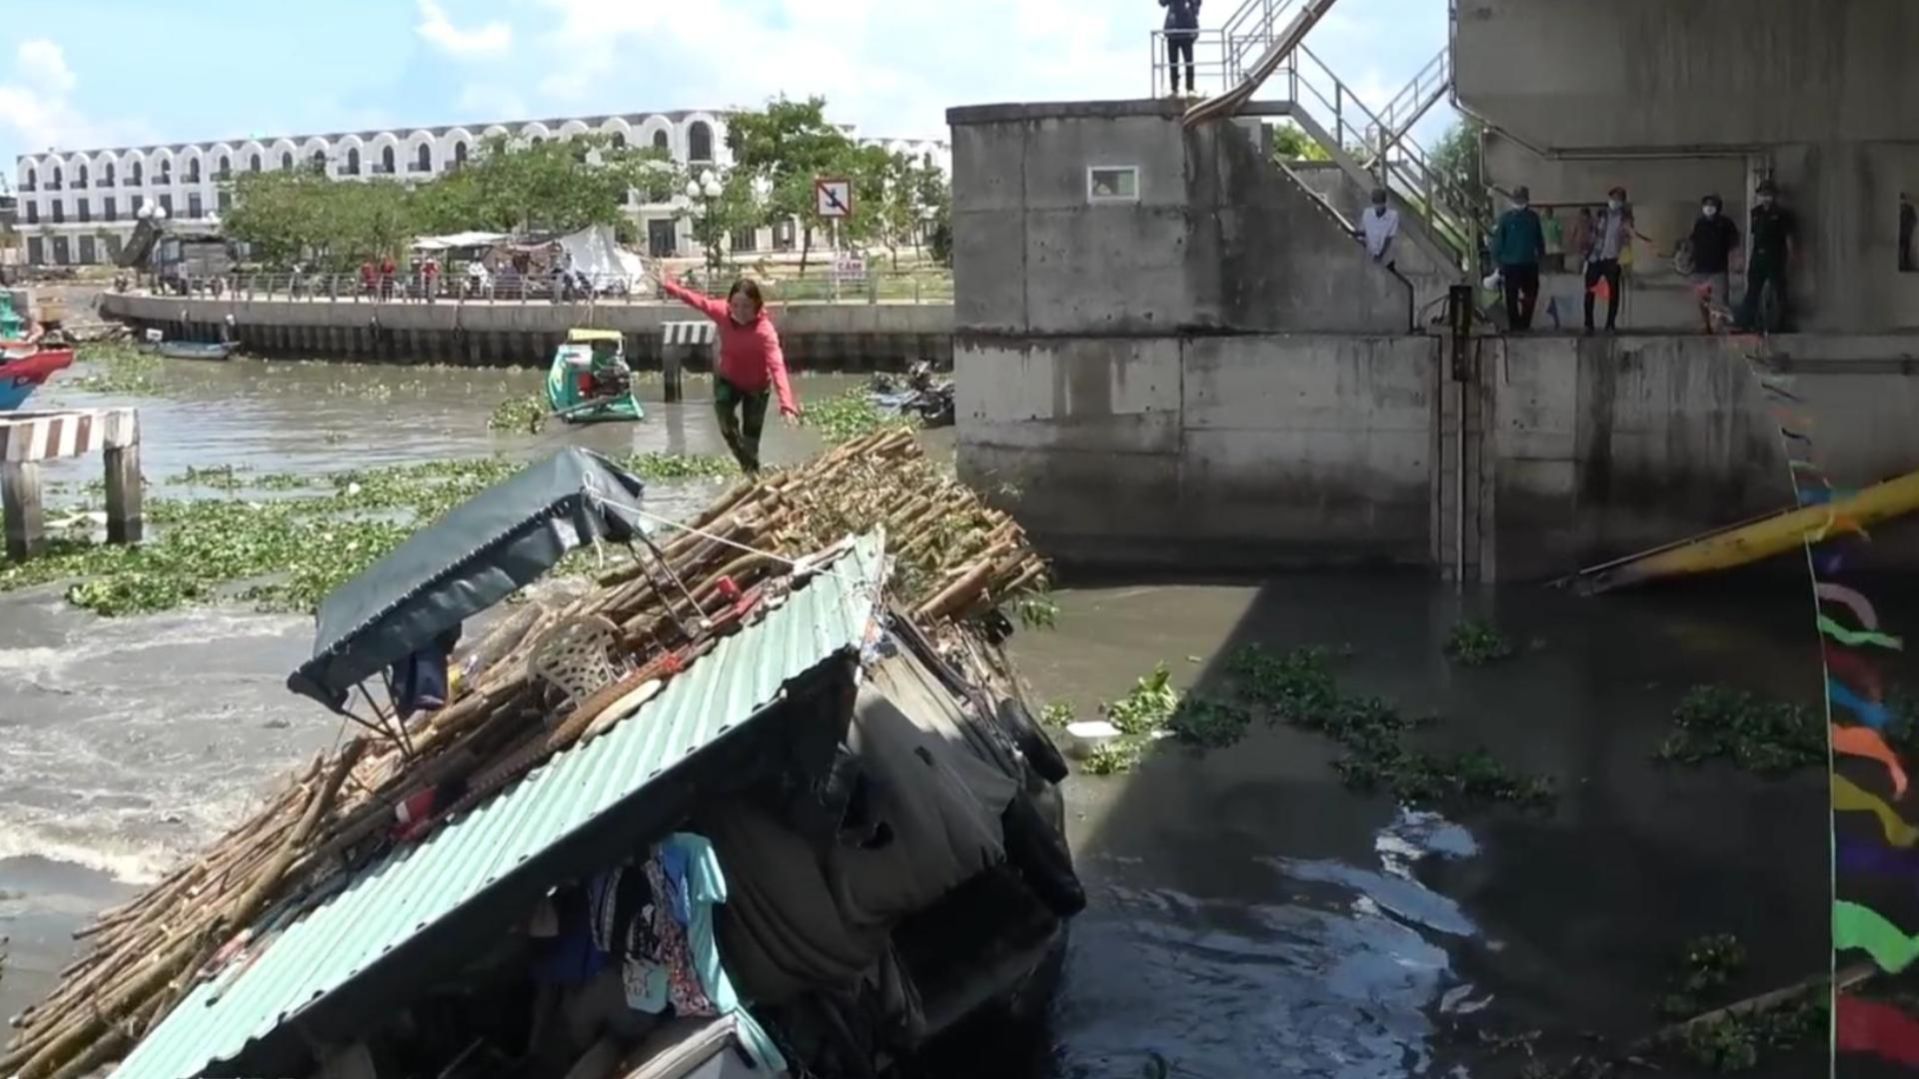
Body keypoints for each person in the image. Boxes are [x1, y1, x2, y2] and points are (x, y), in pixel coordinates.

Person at [655, 267, 800, 475]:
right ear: (729, 304)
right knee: (725, 423)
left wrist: (787, 405)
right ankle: (748, 467)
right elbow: (696, 300)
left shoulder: (764, 332)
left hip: (757, 388)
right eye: (736, 305)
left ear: (757, 306)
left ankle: (752, 473)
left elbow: (777, 366)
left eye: (747, 306)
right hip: (729, 380)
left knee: (751, 440)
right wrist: (669, 286)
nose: (740, 312)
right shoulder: (721, 312)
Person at [1736, 179, 1794, 333]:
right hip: (1758, 256)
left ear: (1774, 196)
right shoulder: (1755, 213)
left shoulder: (1782, 214)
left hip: (1775, 256)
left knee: (1779, 291)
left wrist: (1791, 257)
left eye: (1768, 195)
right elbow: (1753, 236)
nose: (1765, 197)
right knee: (1753, 291)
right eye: (1763, 194)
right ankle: (1746, 322)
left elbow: (1788, 237)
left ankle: (1781, 324)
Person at [1490, 185, 1545, 331]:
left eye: (1522, 198)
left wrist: (1541, 255)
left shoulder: (1533, 218)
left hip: (1529, 263)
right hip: (1511, 264)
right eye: (1517, 198)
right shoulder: (1506, 219)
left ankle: (1525, 323)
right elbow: (1498, 241)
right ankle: (1515, 326)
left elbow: (1539, 239)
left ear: (1526, 200)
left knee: (1531, 294)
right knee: (1511, 297)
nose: (1519, 201)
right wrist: (1497, 261)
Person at [1583, 186, 1635, 334]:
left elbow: (1627, 239)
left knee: (1613, 292)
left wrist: (1625, 262)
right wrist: (1586, 256)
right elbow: (1591, 235)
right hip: (1595, 257)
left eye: (1619, 199)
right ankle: (1588, 324)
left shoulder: (1626, 217)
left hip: (1613, 258)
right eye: (1613, 198)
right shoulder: (1600, 214)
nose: (1615, 201)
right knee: (1589, 291)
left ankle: (1610, 324)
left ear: (1623, 201)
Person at [1685, 193, 1741, 331]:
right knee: (1701, 300)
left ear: (1718, 207)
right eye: (1706, 205)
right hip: (1700, 268)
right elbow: (1692, 243)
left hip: (1718, 269)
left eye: (1712, 205)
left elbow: (1734, 243)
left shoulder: (1726, 223)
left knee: (1720, 301)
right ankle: (1705, 325)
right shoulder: (1699, 223)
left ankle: (1718, 327)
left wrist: (1736, 260)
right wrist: (1688, 259)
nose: (1709, 208)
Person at [1161, 0, 1201, 97]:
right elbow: (1162, 2)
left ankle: (1190, 87)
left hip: (1186, 30)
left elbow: (1197, 4)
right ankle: (1174, 88)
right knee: (1173, 62)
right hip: (1173, 30)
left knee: (1189, 61)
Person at [1356, 187, 1399, 270]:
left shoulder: (1393, 216)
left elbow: (1389, 238)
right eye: (1376, 203)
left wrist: (1380, 255)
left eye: (1380, 203)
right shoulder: (1367, 213)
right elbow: (1362, 232)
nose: (1378, 206)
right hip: (1369, 252)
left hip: (1385, 253)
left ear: (1384, 203)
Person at [1542, 206, 1565, 272]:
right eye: (1547, 212)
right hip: (1546, 240)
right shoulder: (1543, 221)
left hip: (1555, 240)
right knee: (1546, 255)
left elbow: (1560, 230)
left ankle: (1556, 268)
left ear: (1552, 213)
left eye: (1549, 212)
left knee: (1556, 254)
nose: (1548, 214)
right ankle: (1547, 269)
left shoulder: (1556, 220)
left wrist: (1560, 239)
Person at [1900, 192, 1915, 273]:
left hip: (1907, 232)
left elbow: (1914, 219)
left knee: (1906, 248)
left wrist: (1910, 228)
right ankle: (1902, 263)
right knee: (1900, 248)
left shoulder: (1910, 208)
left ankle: (1906, 263)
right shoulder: (1896, 208)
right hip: (1899, 233)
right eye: (1901, 199)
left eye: (1903, 199)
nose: (1902, 201)